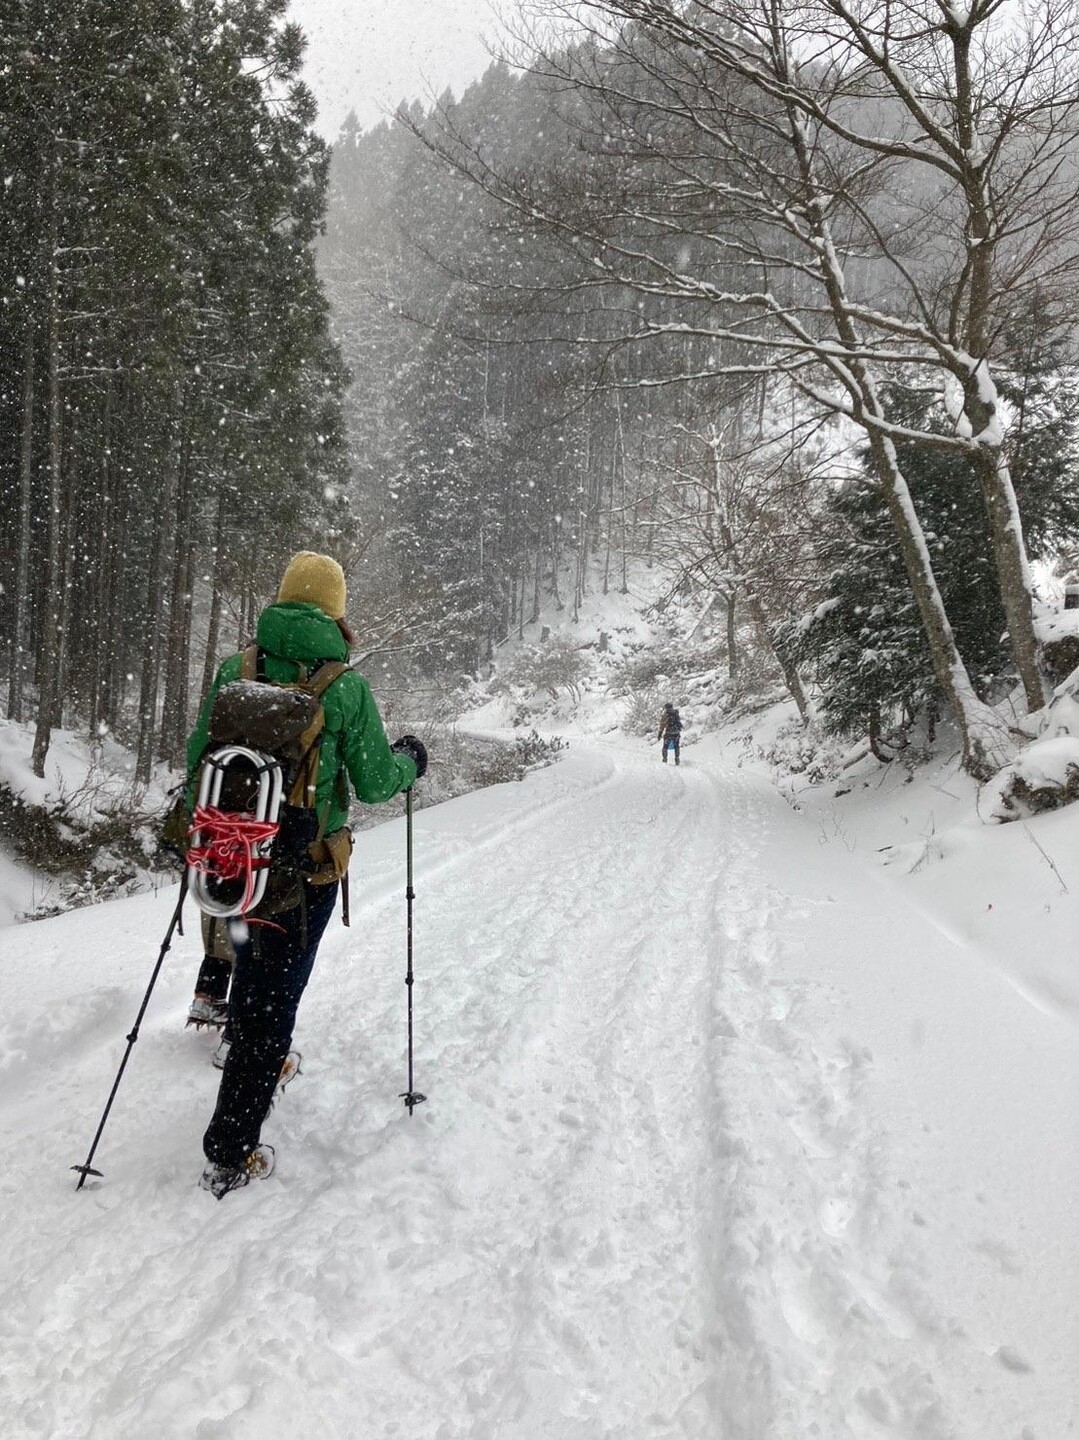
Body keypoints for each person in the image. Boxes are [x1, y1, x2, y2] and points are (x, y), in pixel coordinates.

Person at [187, 551, 427, 1198]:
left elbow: (195, 762)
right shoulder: (343, 686)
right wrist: (410, 760)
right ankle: (230, 1149)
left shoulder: (235, 669)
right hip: (306, 870)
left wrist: (198, 835)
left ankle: (241, 1042)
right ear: (335, 611)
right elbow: (376, 782)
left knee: (246, 955)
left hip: (234, 853)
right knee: (274, 999)